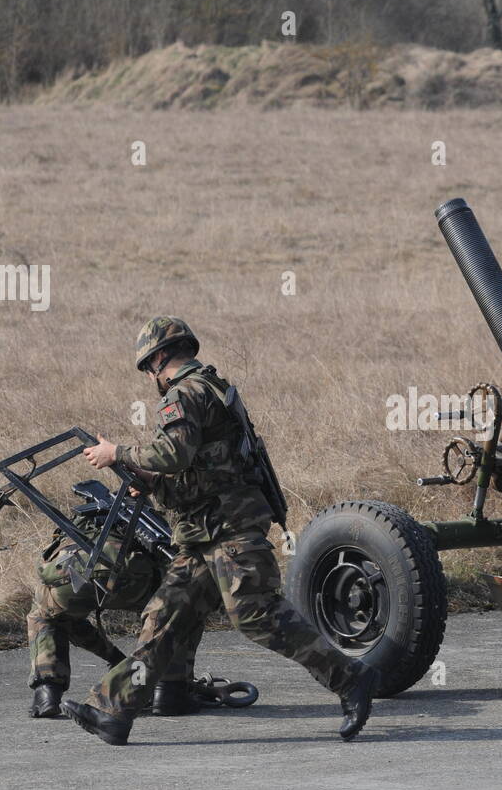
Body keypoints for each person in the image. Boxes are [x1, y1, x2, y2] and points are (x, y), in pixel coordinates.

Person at [61, 317, 379, 745]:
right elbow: (204, 466)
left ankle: (351, 678)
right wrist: (149, 480)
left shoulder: (185, 393)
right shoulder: (210, 388)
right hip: (202, 536)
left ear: (158, 358)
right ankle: (112, 711)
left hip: (229, 530)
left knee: (256, 613)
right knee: (163, 619)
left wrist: (117, 451)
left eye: (148, 368)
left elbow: (174, 452)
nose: (150, 377)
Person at [26, 517, 207, 719]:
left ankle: (47, 690)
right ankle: (169, 691)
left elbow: (72, 625)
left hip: (68, 576)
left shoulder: (74, 530)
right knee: (176, 610)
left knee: (45, 616)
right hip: (134, 578)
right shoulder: (145, 520)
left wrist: (113, 656)